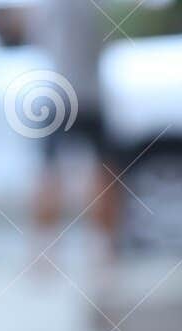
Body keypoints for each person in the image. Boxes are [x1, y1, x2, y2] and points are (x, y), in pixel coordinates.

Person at [30, 0, 117, 266]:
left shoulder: (48, 7)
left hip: (58, 95)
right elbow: (105, 43)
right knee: (101, 169)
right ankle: (101, 248)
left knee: (51, 170)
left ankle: (47, 248)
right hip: (90, 95)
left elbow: (37, 39)